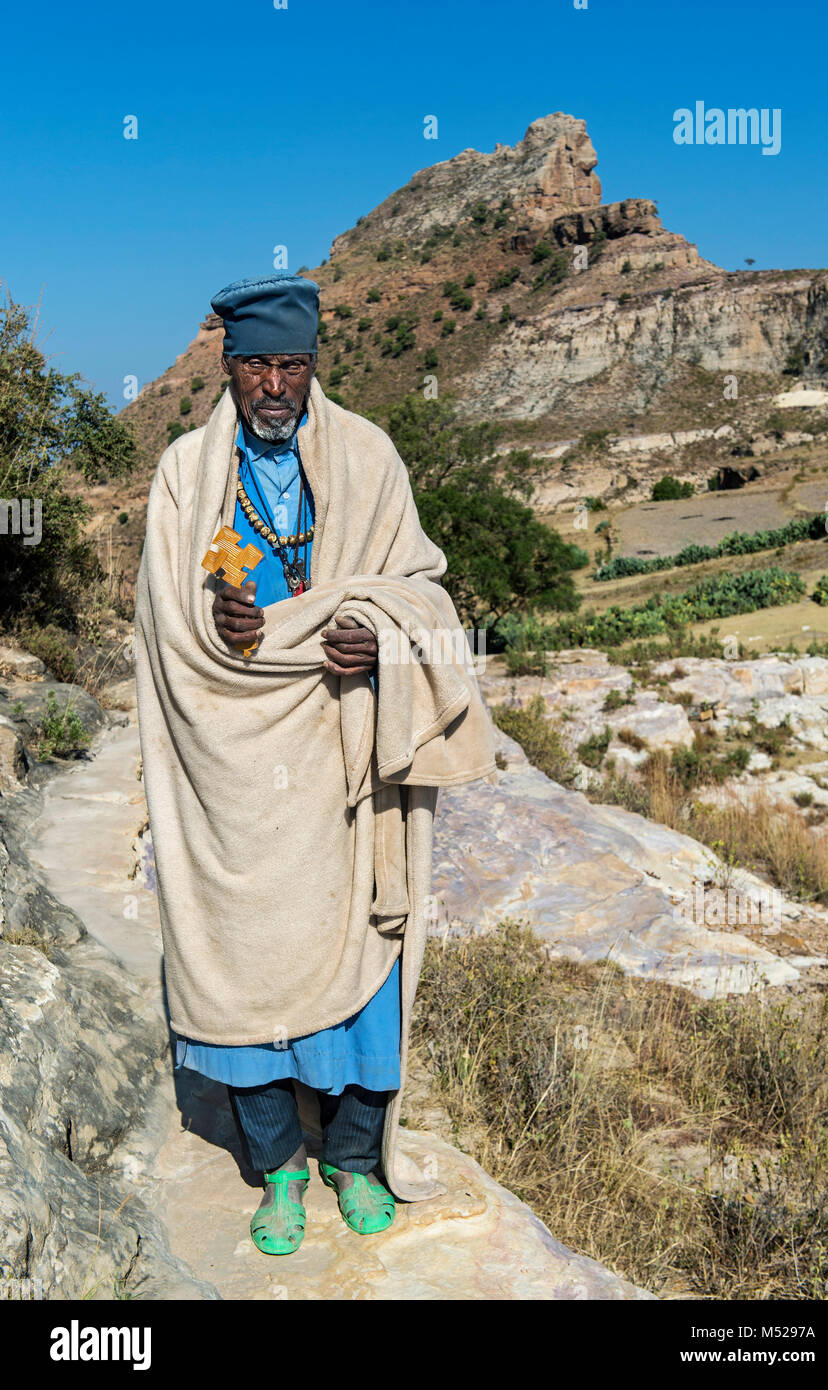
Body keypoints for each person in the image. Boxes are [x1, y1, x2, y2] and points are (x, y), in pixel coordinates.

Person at [134, 272, 495, 1256]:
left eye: (293, 363)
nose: (276, 383)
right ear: (229, 364)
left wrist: (377, 637)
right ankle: (279, 1173)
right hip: (237, 770)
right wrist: (221, 628)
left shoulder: (369, 458)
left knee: (364, 952)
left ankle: (353, 1159)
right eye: (258, 363)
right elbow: (165, 622)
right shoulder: (182, 474)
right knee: (237, 956)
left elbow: (422, 591)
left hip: (345, 758)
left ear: (314, 363)